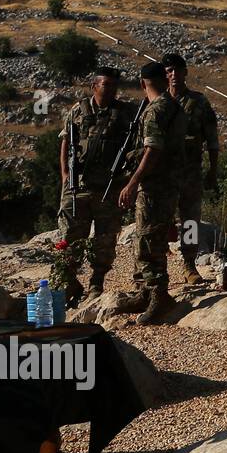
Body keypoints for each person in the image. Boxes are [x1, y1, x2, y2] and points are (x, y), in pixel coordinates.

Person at [56, 67, 138, 303]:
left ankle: (96, 283)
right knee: (70, 238)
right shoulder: (78, 111)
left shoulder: (126, 114)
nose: (111, 90)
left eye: (114, 86)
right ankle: (69, 282)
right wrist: (64, 175)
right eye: (106, 85)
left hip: (108, 188)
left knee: (105, 239)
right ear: (94, 86)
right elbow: (66, 143)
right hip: (77, 186)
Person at [117, 62, 188, 325]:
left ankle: (159, 295)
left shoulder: (155, 111)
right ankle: (146, 291)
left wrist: (133, 181)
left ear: (142, 83)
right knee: (149, 237)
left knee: (149, 241)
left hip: (155, 185)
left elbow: (153, 149)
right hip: (169, 182)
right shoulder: (174, 107)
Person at [162, 53, 219, 284]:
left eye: (178, 70)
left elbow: (212, 140)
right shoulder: (158, 102)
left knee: (190, 222)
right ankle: (157, 269)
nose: (174, 75)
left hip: (190, 172)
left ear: (186, 72)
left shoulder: (198, 102)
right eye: (169, 71)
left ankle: (189, 264)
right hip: (163, 174)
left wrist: (213, 171)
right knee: (160, 220)